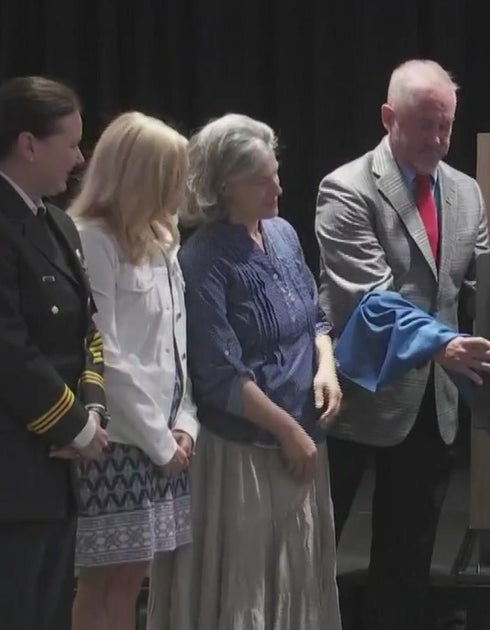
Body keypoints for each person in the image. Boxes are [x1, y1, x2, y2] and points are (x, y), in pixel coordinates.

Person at [315, 59, 490, 629]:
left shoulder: (465, 191)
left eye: (446, 126)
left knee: (407, 560)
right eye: (425, 125)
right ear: (388, 117)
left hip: (432, 401)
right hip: (353, 396)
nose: (438, 140)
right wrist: (443, 344)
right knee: (317, 550)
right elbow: (371, 298)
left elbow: (483, 286)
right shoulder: (346, 189)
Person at [146, 113, 342, 630]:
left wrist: (326, 366)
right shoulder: (203, 260)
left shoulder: (282, 233)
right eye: (261, 181)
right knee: (247, 587)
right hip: (244, 454)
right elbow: (220, 375)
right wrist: (289, 432)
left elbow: (314, 318)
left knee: (297, 583)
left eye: (275, 174)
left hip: (300, 439)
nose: (277, 188)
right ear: (224, 187)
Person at [0, 76, 109, 630]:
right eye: (71, 144)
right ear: (29, 144)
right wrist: (73, 427)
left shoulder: (56, 223)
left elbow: (87, 331)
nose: (79, 159)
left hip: (52, 480)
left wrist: (92, 411)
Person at [66, 111, 199, 630]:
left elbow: (176, 345)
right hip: (119, 441)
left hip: (162, 442)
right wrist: (160, 442)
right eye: (174, 176)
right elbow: (106, 354)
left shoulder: (162, 242)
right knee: (102, 585)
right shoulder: (92, 240)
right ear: (143, 177)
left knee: (131, 583)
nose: (183, 188)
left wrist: (185, 423)